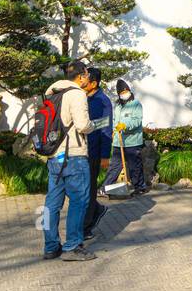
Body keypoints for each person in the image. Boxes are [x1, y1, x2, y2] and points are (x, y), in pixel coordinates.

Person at [42, 60, 97, 261]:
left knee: (50, 204)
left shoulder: (51, 93)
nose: (87, 79)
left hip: (54, 155)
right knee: (79, 201)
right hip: (73, 155)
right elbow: (82, 125)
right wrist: (93, 125)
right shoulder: (77, 94)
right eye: (87, 75)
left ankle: (50, 246)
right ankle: (72, 246)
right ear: (81, 75)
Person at [81, 66, 112, 238]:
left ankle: (86, 228)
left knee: (89, 189)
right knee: (81, 189)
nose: (82, 81)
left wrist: (104, 156)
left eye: (85, 79)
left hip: (93, 151)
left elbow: (105, 128)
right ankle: (98, 209)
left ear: (94, 83)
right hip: (80, 151)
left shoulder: (102, 101)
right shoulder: (82, 97)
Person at [105, 79, 147, 196]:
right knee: (114, 166)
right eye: (122, 93)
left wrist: (125, 125)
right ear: (119, 94)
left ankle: (139, 187)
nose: (125, 94)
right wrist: (114, 131)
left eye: (126, 91)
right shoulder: (118, 106)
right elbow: (115, 121)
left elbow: (137, 121)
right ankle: (106, 187)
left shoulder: (136, 104)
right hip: (119, 141)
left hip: (132, 141)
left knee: (135, 166)